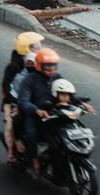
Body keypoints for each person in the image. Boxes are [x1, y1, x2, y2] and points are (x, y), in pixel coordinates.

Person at [17, 48, 65, 177]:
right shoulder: (29, 80)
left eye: (53, 66)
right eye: (48, 66)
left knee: (59, 139)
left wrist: (81, 103)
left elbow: (66, 93)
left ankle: (55, 164)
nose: (51, 69)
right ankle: (34, 160)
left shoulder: (57, 77)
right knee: (31, 134)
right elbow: (23, 101)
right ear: (39, 65)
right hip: (34, 115)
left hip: (52, 114)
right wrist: (36, 110)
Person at [2, 31, 43, 163]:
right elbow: (6, 86)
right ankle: (11, 153)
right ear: (27, 48)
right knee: (11, 126)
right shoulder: (14, 67)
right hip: (13, 100)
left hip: (32, 98)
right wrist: (13, 102)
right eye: (36, 46)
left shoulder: (37, 61)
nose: (40, 47)